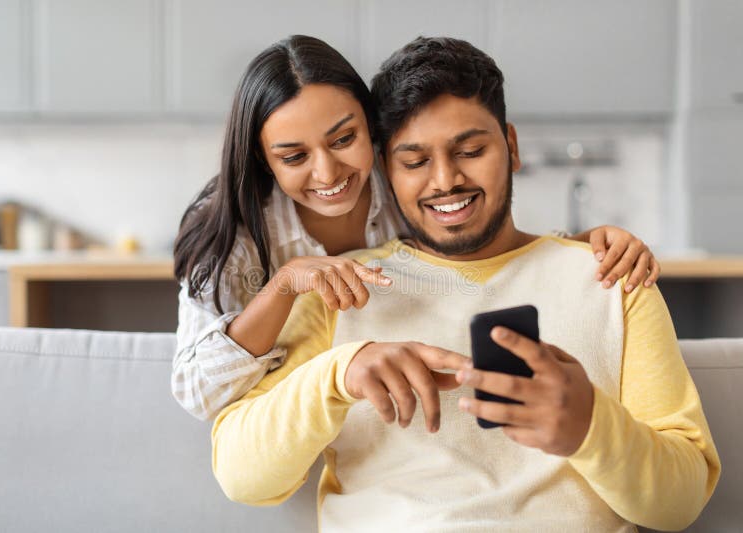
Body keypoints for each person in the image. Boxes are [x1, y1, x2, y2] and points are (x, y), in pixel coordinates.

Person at [211, 37, 720, 532]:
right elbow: (241, 478)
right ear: (387, 172)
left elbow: (679, 505)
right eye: (414, 162)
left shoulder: (614, 279)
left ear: (512, 147)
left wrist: (591, 427)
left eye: (470, 150)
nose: (445, 180)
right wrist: (338, 375)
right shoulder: (339, 288)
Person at [171, 35, 661, 422]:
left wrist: (581, 246)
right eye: (294, 156)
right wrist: (283, 285)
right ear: (263, 157)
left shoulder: (404, 182)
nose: (327, 174)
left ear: (373, 131)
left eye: (344, 139)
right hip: (304, 410)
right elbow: (196, 391)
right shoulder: (234, 229)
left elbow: (489, 247)